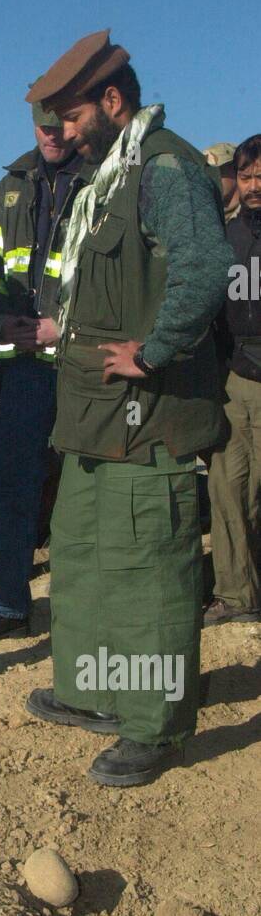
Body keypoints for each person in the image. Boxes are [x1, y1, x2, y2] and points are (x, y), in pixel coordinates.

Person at [22, 30, 234, 787]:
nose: (62, 133)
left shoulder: (165, 166)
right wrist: (63, 328)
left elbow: (207, 269)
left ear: (114, 101)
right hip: (92, 418)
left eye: (72, 117)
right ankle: (94, 691)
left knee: (149, 568)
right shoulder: (109, 176)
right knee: (82, 555)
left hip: (149, 417)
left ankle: (156, 725)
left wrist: (152, 351)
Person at [0, 101, 90, 641]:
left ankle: (82, 609)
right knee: (14, 484)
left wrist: (60, 327)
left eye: (60, 123)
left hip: (82, 362)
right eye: (42, 124)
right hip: (24, 367)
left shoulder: (101, 179)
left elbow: (117, 279)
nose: (51, 134)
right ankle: (8, 604)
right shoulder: (12, 186)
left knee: (84, 489)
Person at [205, 133, 261, 625]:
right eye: (245, 176)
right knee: (226, 486)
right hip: (234, 381)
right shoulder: (226, 239)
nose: (253, 184)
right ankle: (235, 595)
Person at [203, 144, 240, 222]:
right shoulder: (203, 218)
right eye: (205, 172)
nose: (210, 178)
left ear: (234, 169)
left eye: (216, 171)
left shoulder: (253, 217)